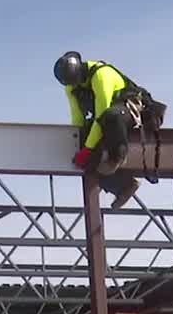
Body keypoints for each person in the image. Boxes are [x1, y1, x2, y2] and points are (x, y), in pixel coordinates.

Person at [54, 51, 165, 209]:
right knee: (86, 151)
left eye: (77, 81)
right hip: (106, 119)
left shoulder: (101, 75)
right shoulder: (71, 88)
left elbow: (101, 113)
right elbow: (78, 119)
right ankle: (123, 185)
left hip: (129, 108)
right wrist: (81, 145)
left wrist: (88, 148)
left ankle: (119, 153)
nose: (76, 85)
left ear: (80, 71)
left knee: (111, 116)